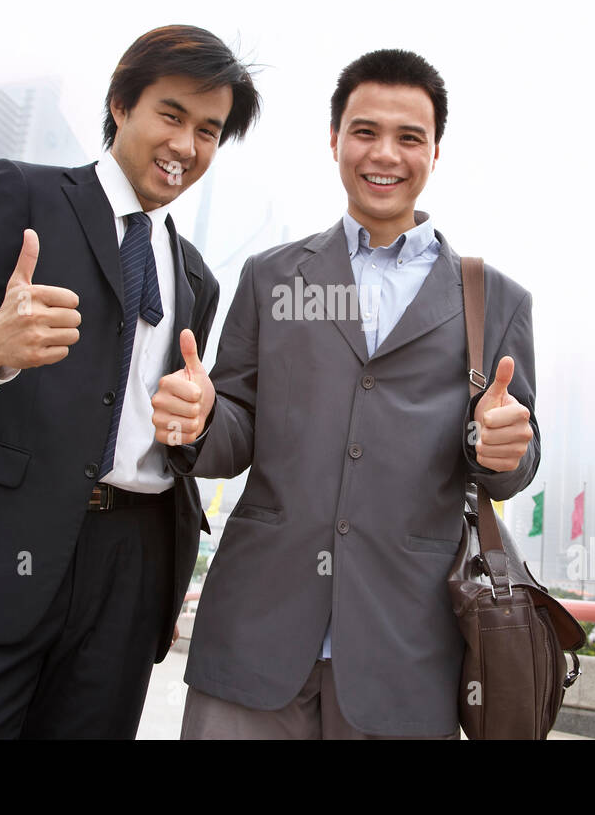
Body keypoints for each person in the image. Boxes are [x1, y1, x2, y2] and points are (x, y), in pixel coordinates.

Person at [0, 25, 260, 739]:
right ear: (120, 105)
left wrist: (194, 421)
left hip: (133, 566)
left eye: (209, 130)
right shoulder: (22, 195)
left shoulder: (197, 275)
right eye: (171, 115)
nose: (185, 147)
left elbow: (174, 418)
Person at [156, 49, 540, 739]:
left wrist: (506, 446)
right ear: (334, 140)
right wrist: (201, 420)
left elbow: (510, 461)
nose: (384, 154)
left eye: (408, 137)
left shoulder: (495, 301)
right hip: (255, 633)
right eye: (364, 131)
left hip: (407, 653)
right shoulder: (271, 278)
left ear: (436, 152)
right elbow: (234, 430)